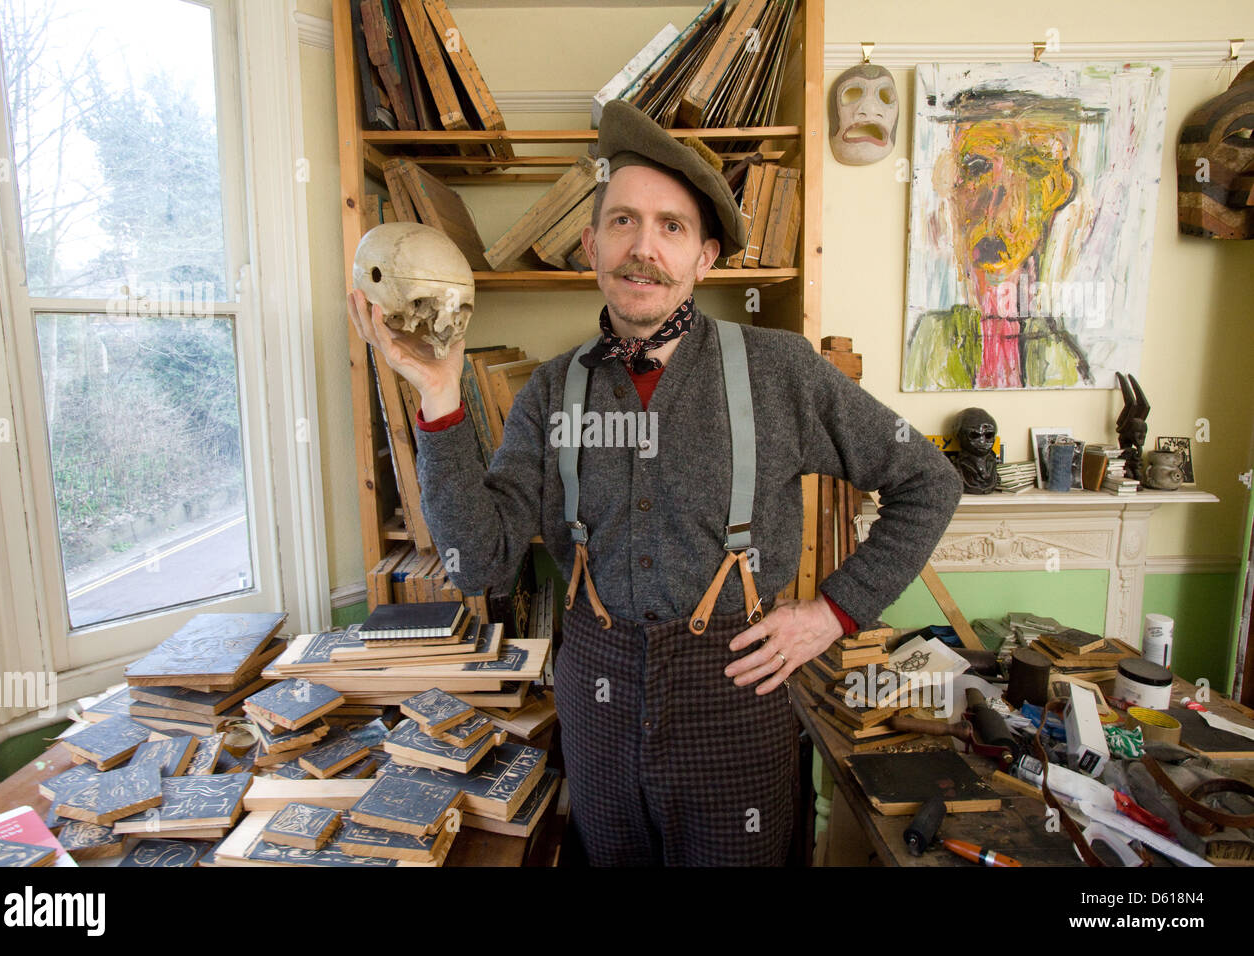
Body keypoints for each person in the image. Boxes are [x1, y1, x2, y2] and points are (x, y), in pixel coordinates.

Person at [348, 101, 962, 866]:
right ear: (590, 244)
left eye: (672, 227)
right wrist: (439, 395)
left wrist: (833, 613)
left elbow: (928, 481)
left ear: (705, 258)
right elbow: (478, 564)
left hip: (739, 704)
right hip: (596, 717)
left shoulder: (781, 372)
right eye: (623, 222)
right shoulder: (550, 392)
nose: (644, 248)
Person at [903, 89, 1093, 390]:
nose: (996, 204)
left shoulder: (1060, 360)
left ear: (1060, 188)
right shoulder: (931, 344)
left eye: (1033, 166)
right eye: (978, 166)